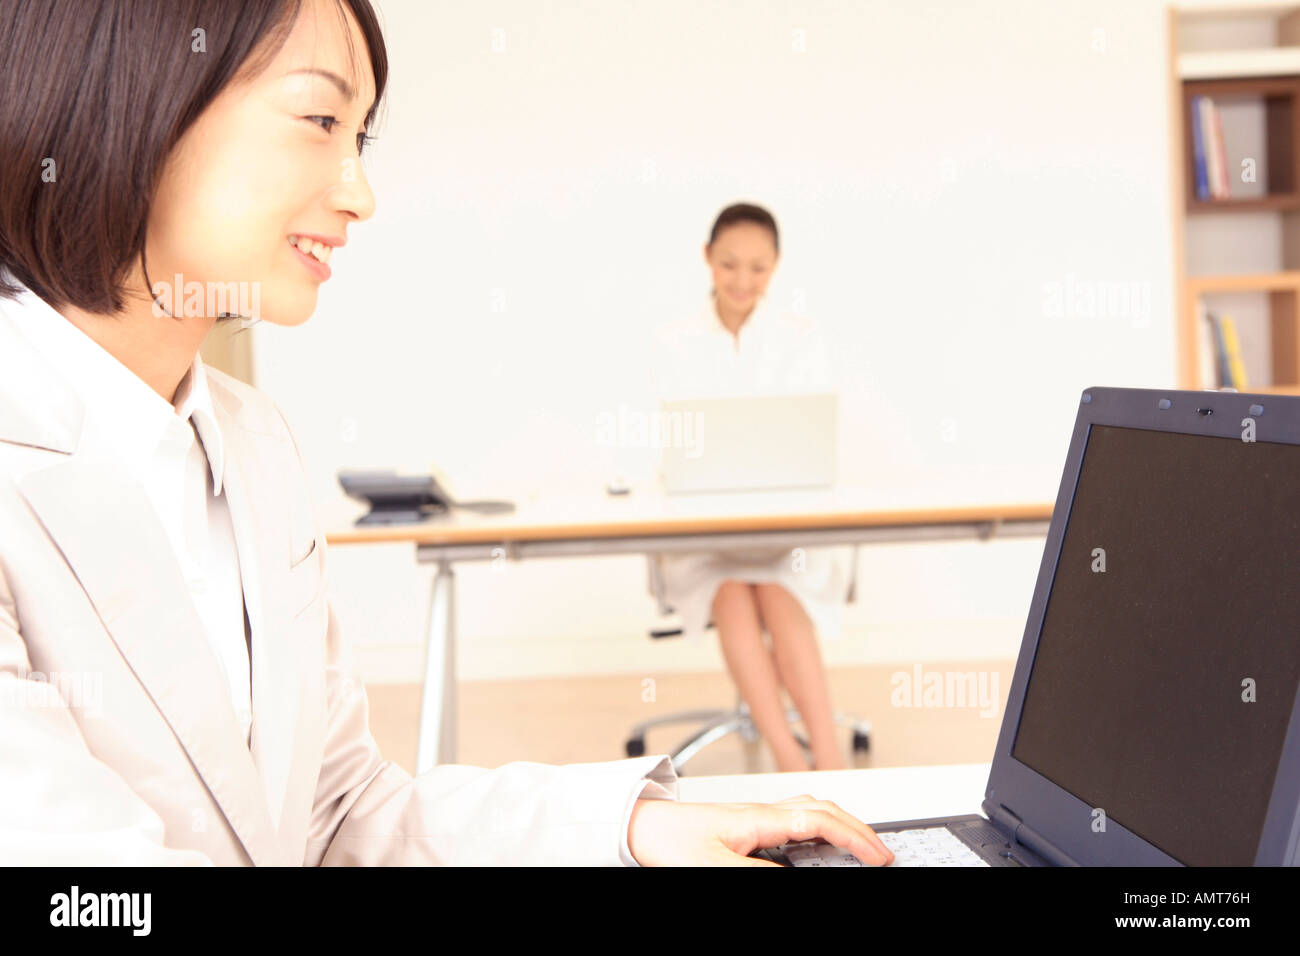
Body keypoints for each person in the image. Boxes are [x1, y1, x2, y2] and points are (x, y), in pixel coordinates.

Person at [0, 0, 892, 866]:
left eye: (361, 142)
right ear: (129, 95)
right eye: (319, 119)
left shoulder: (252, 442)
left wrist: (626, 830)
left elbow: (341, 815)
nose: (360, 194)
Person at [653, 203, 852, 773]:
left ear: (776, 266)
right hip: (705, 537)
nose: (743, 281)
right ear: (707, 260)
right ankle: (791, 761)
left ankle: (830, 762)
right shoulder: (674, 341)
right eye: (729, 265)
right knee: (735, 592)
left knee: (776, 589)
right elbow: (668, 450)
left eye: (758, 269)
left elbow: (813, 443)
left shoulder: (800, 338)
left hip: (784, 529)